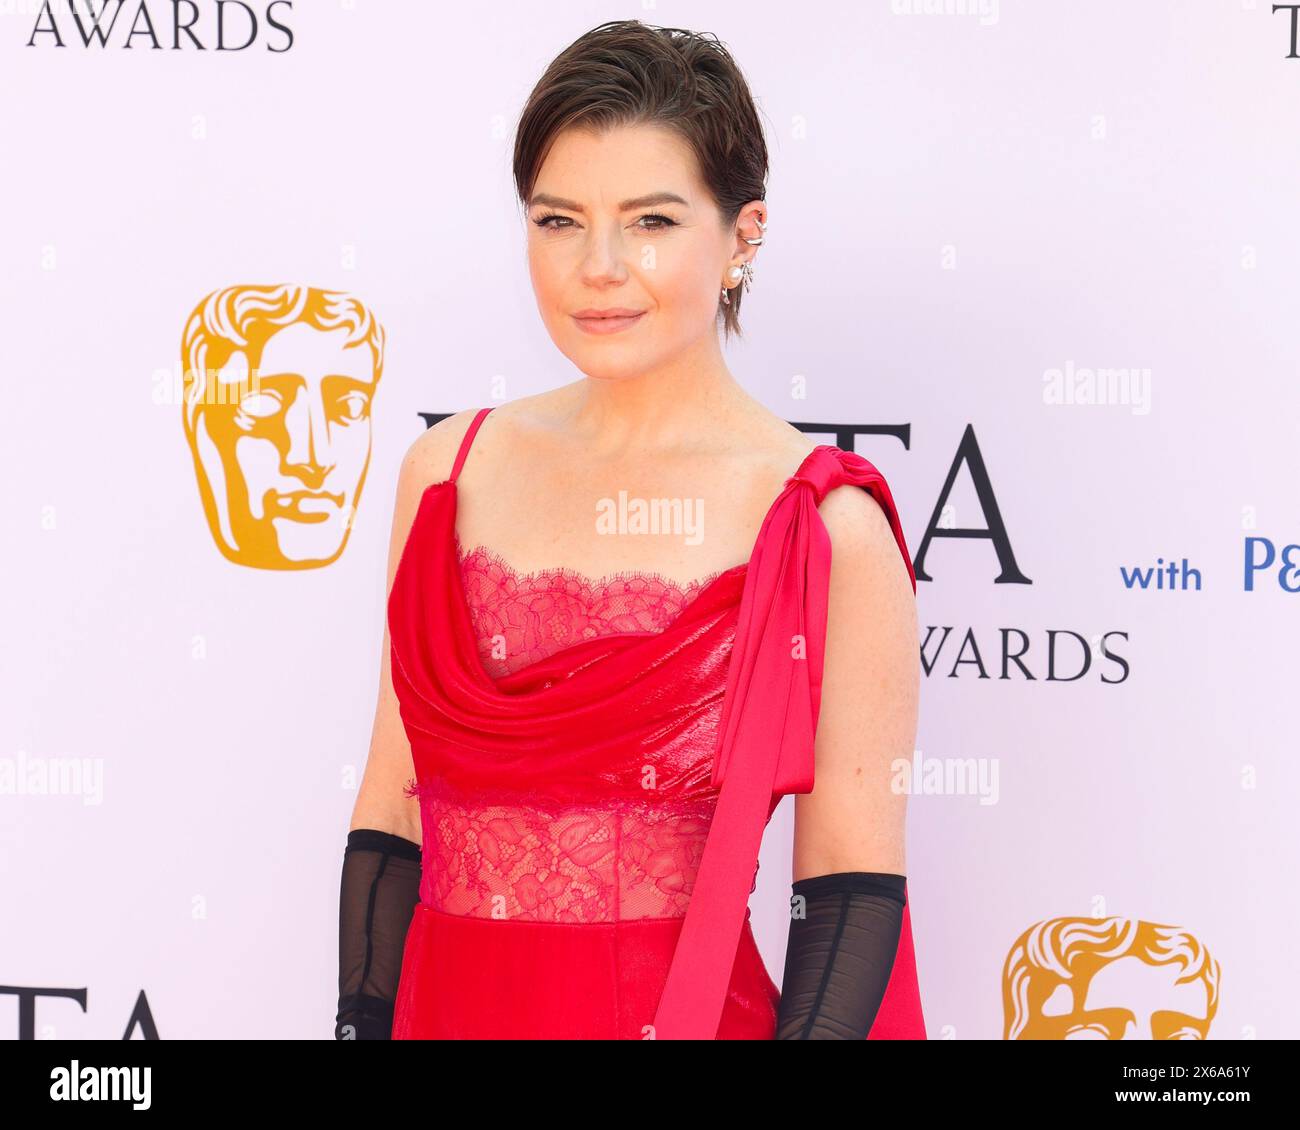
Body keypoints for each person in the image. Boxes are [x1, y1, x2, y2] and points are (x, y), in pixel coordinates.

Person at [335, 18, 926, 1040]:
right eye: (558, 221)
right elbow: (391, 810)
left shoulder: (824, 524)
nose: (596, 267)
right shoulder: (444, 473)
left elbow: (843, 889)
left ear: (742, 235)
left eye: (649, 222)